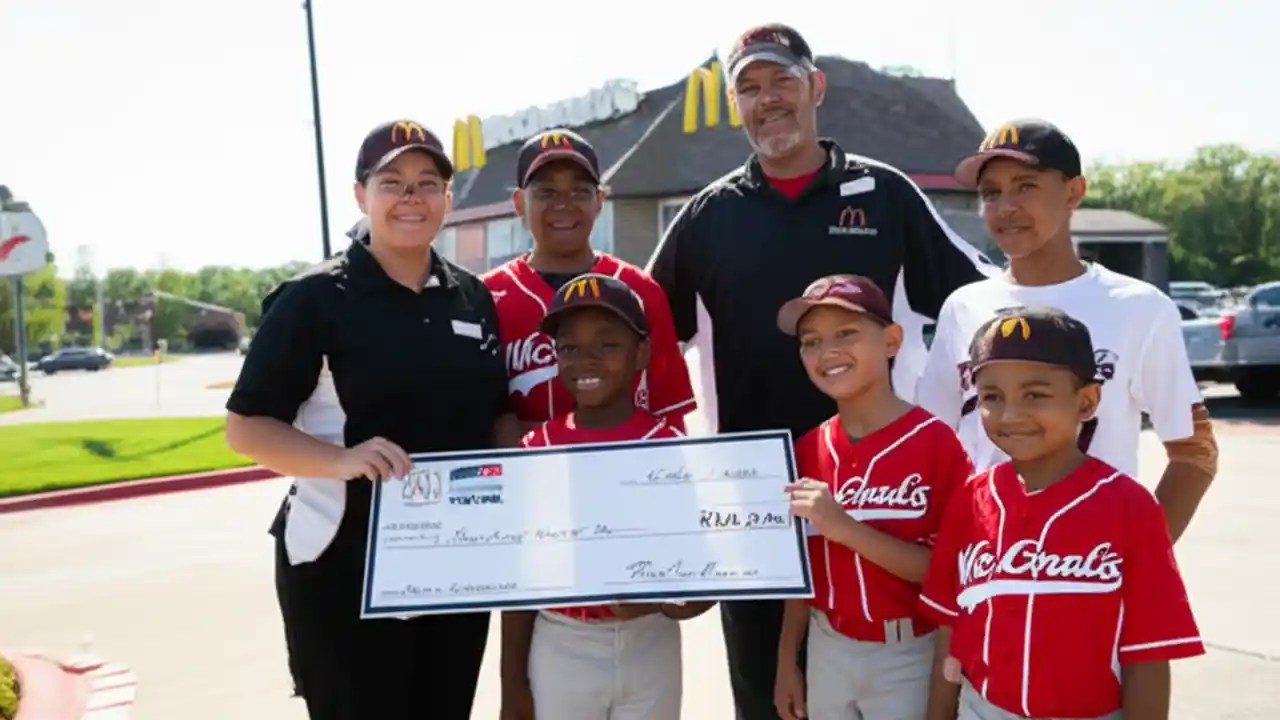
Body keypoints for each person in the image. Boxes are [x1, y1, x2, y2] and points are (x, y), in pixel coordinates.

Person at [646, 23, 995, 720]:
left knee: (880, 686)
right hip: (757, 499)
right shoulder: (709, 215)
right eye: (748, 87)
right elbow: (642, 341)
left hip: (878, 493)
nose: (766, 99)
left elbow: (978, 302)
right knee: (766, 697)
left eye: (781, 80)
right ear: (733, 104)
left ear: (816, 87)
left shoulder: (887, 194)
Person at [224, 119, 507, 720]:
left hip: (453, 570)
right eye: (392, 182)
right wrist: (341, 460)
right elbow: (246, 427)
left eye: (428, 183)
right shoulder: (315, 298)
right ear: (361, 195)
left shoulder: (473, 299)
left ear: (448, 199)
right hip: (342, 572)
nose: (411, 198)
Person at [914, 118, 1218, 542]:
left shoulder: (1138, 307)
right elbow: (930, 446)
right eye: (991, 193)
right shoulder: (963, 307)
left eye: (1025, 186)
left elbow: (1194, 451)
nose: (1006, 207)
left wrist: (1139, 558)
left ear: (1073, 192)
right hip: (983, 562)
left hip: (1087, 561)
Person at [918, 307, 1204, 720]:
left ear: (1086, 401)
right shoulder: (970, 500)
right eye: (991, 397)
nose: (1010, 414)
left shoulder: (1130, 505)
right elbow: (950, 629)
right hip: (983, 708)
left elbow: (1149, 654)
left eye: (1035, 394)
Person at [498, 272, 713, 720]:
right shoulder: (535, 450)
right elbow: (519, 581)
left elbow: (707, 577)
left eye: (607, 344)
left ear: (642, 353)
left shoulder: (671, 448)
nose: (585, 360)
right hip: (561, 641)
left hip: (648, 641)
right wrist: (512, 683)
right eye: (569, 348)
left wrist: (664, 600)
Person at [772, 275, 973, 720]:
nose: (827, 352)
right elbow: (801, 574)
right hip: (829, 646)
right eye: (811, 341)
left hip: (909, 650)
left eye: (847, 333)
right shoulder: (808, 448)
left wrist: (846, 529)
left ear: (891, 340)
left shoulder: (937, 443)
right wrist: (788, 661)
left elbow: (950, 577)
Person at [483, 129, 695, 440]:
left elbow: (670, 412)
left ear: (599, 201)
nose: (563, 204)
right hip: (527, 478)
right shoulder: (486, 297)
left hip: (626, 474)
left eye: (579, 191)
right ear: (519, 202)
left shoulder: (640, 290)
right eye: (546, 192)